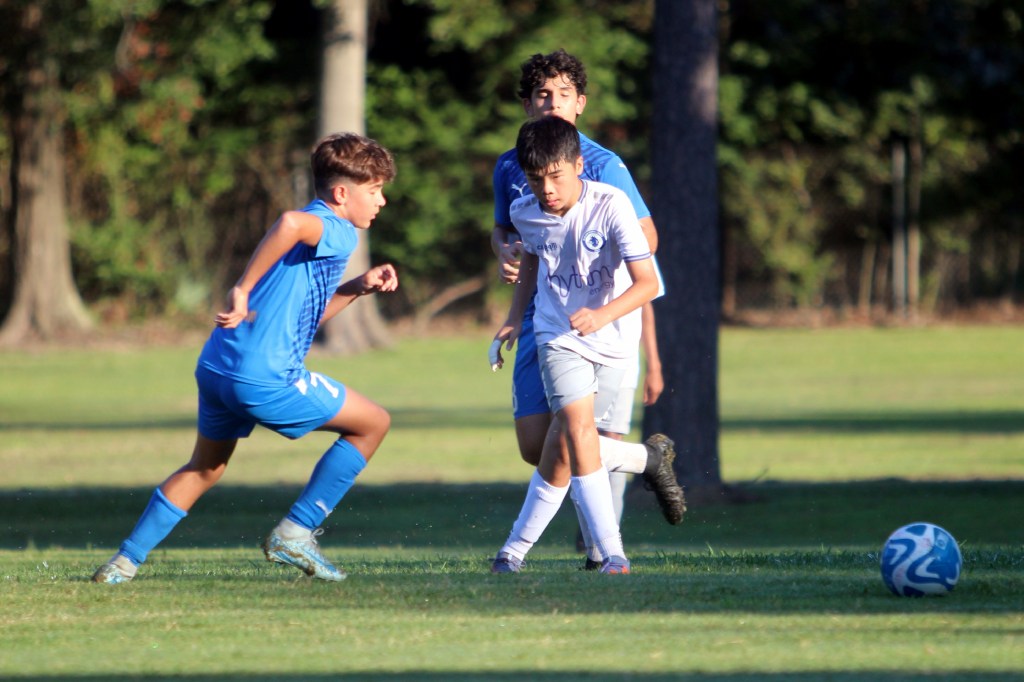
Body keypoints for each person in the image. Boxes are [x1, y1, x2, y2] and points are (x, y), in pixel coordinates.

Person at [91, 132, 398, 584]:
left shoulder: (316, 239)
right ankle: (295, 532)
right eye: (374, 191)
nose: (381, 201)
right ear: (341, 194)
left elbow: (306, 316)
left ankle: (123, 563)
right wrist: (242, 288)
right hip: (264, 379)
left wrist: (356, 287)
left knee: (205, 467)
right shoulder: (331, 227)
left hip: (217, 368)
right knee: (373, 423)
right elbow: (290, 222)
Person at [488, 50, 684, 563]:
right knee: (540, 445)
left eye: (564, 95)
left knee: (580, 438)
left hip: (605, 322)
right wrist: (504, 254)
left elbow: (643, 255)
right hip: (544, 319)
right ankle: (646, 461)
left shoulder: (602, 168)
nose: (552, 104)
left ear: (581, 104)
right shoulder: (511, 167)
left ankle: (598, 553)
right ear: (527, 103)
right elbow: (512, 233)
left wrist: (648, 349)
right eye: (542, 95)